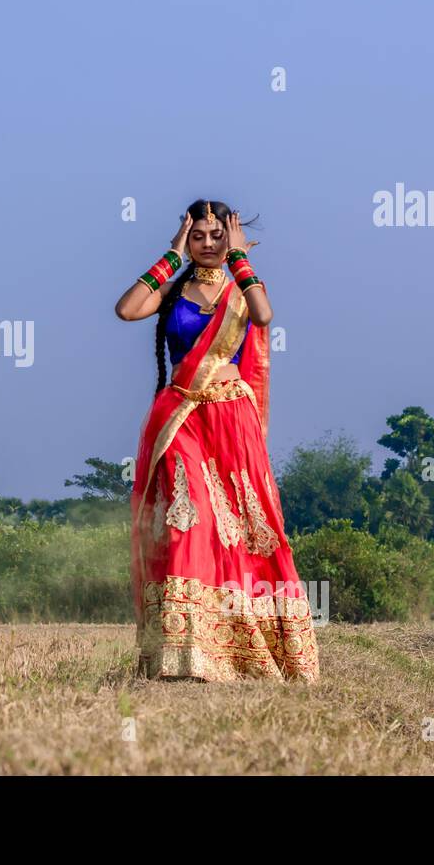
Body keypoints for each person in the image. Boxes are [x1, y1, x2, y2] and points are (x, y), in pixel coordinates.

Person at [114, 199, 320, 682]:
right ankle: (184, 653)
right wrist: (169, 255)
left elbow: (264, 316)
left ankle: (244, 650)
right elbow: (126, 310)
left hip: (230, 419)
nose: (208, 244)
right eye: (199, 235)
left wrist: (241, 261)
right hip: (181, 414)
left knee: (245, 528)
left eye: (216, 235)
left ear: (232, 237)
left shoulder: (243, 289)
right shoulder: (173, 290)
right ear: (188, 238)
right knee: (190, 516)